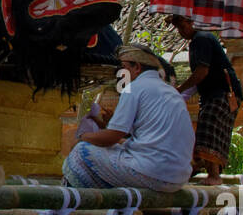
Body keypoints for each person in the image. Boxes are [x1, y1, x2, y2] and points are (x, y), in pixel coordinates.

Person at [61, 44, 195, 193]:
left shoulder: (134, 88)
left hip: (152, 173)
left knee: (80, 150)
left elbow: (112, 137)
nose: (119, 74)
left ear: (136, 67)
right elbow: (141, 138)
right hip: (177, 178)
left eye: (122, 68)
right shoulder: (171, 91)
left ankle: (64, 208)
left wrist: (83, 137)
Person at [167, 16, 243, 186]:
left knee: (209, 132)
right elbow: (200, 80)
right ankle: (199, 169)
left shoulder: (201, 39)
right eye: (178, 28)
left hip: (222, 93)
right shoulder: (199, 40)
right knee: (210, 132)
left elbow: (201, 73)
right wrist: (179, 96)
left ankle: (214, 175)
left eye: (182, 26)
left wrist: (178, 90)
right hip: (216, 94)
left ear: (192, 22)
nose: (180, 32)